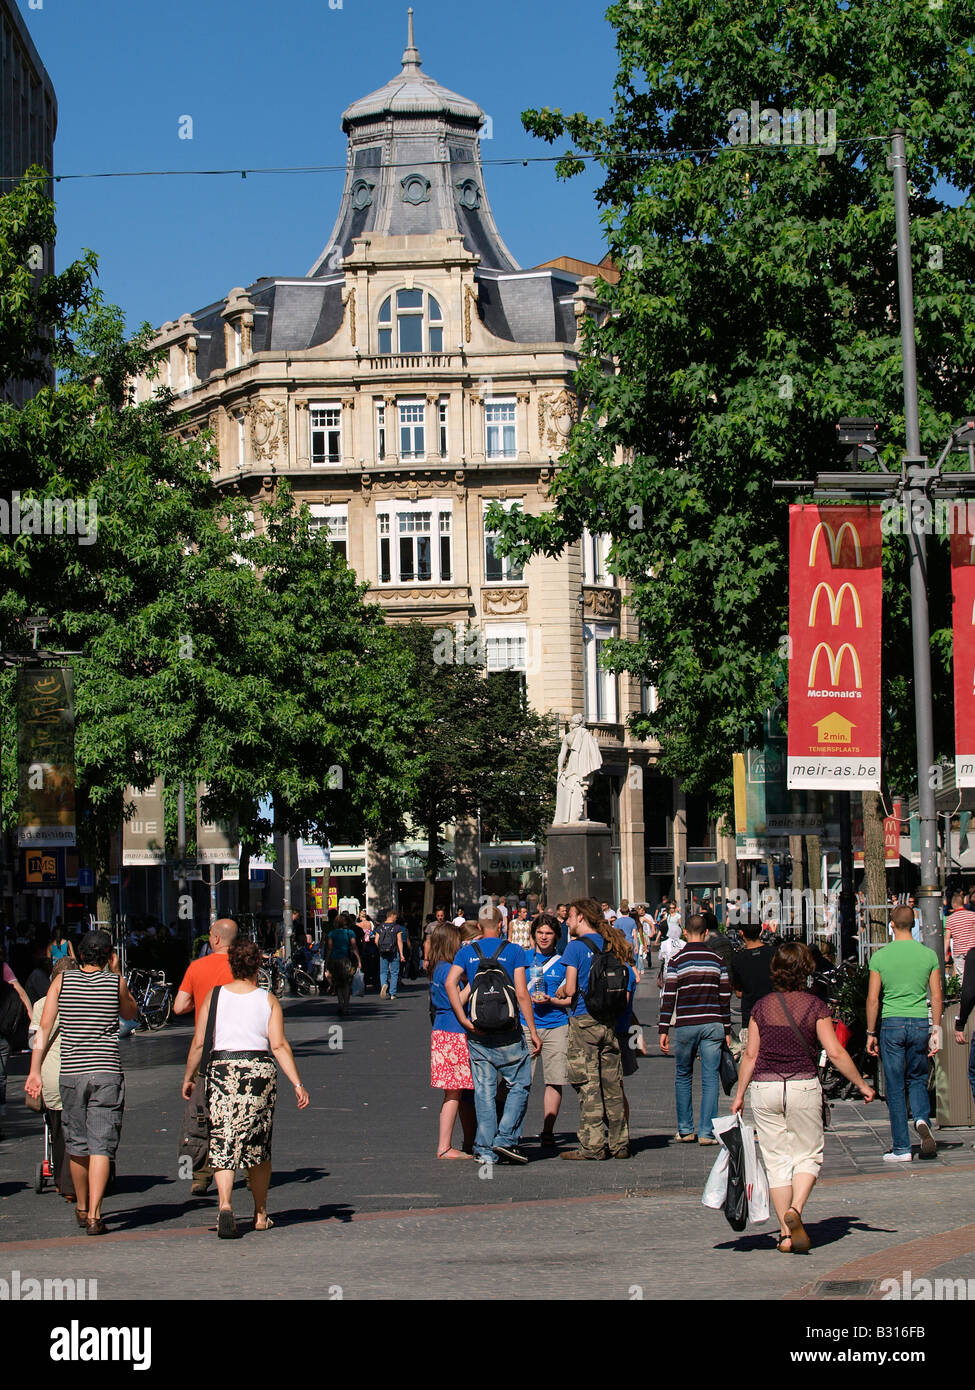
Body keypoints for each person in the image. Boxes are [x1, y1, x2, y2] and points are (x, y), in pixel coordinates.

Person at [733, 941, 875, 1252]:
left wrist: (739, 1094)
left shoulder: (761, 1007)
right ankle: (795, 1210)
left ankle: (785, 1234)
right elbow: (834, 1051)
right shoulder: (815, 1007)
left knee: (776, 1160)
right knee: (809, 1154)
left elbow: (750, 1054)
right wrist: (861, 1084)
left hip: (765, 1088)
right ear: (806, 972)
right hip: (803, 1086)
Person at [181, 939, 309, 1238]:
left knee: (223, 1139)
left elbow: (199, 1042)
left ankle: (225, 1204)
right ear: (258, 967)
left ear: (232, 965)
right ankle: (261, 1212)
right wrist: (297, 1083)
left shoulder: (214, 998)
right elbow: (278, 1045)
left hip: (223, 1070)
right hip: (258, 1071)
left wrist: (189, 1077)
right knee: (257, 1143)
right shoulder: (267, 1000)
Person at [25, 930, 138, 1235]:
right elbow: (131, 1014)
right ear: (109, 955)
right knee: (101, 1145)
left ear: (80, 956)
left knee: (77, 1144)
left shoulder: (62, 982)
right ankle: (96, 1215)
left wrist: (34, 1070)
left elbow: (44, 1029)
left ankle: (82, 1205)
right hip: (105, 1072)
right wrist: (116, 974)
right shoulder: (116, 982)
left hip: (72, 1072)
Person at [445, 903, 540, 1165]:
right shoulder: (514, 951)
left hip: (478, 1032)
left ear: (478, 926)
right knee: (519, 1085)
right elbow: (521, 993)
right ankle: (505, 1139)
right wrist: (532, 1030)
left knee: (484, 1091)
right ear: (501, 925)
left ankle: (485, 1149)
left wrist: (462, 1017)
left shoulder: (467, 953)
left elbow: (450, 982)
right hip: (509, 1031)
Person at [555, 899, 633, 1160]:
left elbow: (570, 989)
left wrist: (558, 992)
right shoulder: (610, 942)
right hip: (608, 1020)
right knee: (612, 1084)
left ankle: (593, 1145)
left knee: (588, 1084)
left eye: (570, 916)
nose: (566, 921)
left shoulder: (575, 948)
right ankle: (619, 1143)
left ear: (580, 917)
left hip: (583, 1019)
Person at [867, 905, 942, 1160]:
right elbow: (936, 995)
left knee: (896, 1085)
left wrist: (870, 1031)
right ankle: (921, 1119)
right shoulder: (928, 955)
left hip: (892, 1023)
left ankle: (901, 1148)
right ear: (914, 924)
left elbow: (873, 999)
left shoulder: (880, 957)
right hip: (920, 1022)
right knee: (918, 1077)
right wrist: (937, 1028)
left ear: (891, 924)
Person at [173, 918, 238, 1194]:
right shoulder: (242, 968)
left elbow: (178, 1007)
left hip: (207, 1051)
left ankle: (201, 1173)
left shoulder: (196, 967)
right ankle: (234, 1165)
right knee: (233, 1113)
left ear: (215, 939)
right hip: (237, 1049)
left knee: (203, 1112)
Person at [658, 914, 731, 1145]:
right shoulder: (717, 959)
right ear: (707, 932)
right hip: (713, 1023)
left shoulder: (677, 960)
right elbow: (725, 996)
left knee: (683, 1075)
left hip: (686, 1024)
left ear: (685, 932)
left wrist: (663, 1028)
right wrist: (727, 1028)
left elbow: (669, 995)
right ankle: (707, 1132)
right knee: (710, 1078)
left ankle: (685, 1129)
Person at [28, 956, 79, 1203]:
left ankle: (62, 1180)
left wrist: (33, 1070)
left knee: (58, 1130)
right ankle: (80, 1179)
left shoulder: (40, 1005)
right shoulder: (85, 1000)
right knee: (80, 1129)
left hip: (52, 1074)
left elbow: (32, 1040)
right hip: (81, 1070)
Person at [522, 914, 571, 1147]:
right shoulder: (522, 959)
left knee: (554, 1079)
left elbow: (570, 998)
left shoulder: (563, 963)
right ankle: (509, 1129)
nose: (544, 937)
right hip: (525, 1024)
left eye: (549, 933)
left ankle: (548, 1131)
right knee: (520, 1080)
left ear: (556, 937)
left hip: (556, 1025)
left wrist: (552, 1000)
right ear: (533, 935)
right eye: (540, 933)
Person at [427, 922, 475, 1159]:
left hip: (441, 1030)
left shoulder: (438, 968)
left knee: (452, 1092)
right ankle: (444, 1146)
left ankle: (446, 1144)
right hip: (454, 1032)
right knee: (454, 1092)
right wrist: (475, 980)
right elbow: (459, 999)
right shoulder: (448, 971)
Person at [730, 919, 776, 1039]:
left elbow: (739, 993)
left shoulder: (738, 960)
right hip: (775, 1014)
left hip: (751, 1016)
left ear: (741, 933)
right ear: (761, 930)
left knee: (751, 1054)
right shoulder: (775, 954)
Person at [324, 912, 361, 1016]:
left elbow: (329, 948)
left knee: (338, 984)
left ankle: (340, 1004)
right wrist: (358, 960)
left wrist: (327, 961)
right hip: (346, 960)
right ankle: (346, 1006)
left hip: (335, 960)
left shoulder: (332, 933)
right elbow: (354, 947)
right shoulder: (350, 933)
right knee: (346, 984)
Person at [945, 892, 975, 981]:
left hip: (959, 951)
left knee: (961, 977)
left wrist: (946, 954)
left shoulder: (950, 919)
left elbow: (947, 938)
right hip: (972, 950)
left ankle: (962, 993)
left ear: (954, 904)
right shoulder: (972, 915)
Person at [377, 910, 406, 999]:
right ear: (392, 916)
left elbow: (376, 940)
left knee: (383, 971)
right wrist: (401, 954)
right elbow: (399, 941)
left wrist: (380, 948)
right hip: (394, 951)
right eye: (395, 917)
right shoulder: (397, 927)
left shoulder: (380, 927)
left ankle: (384, 984)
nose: (396, 919)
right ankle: (392, 994)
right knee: (394, 973)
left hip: (383, 952)